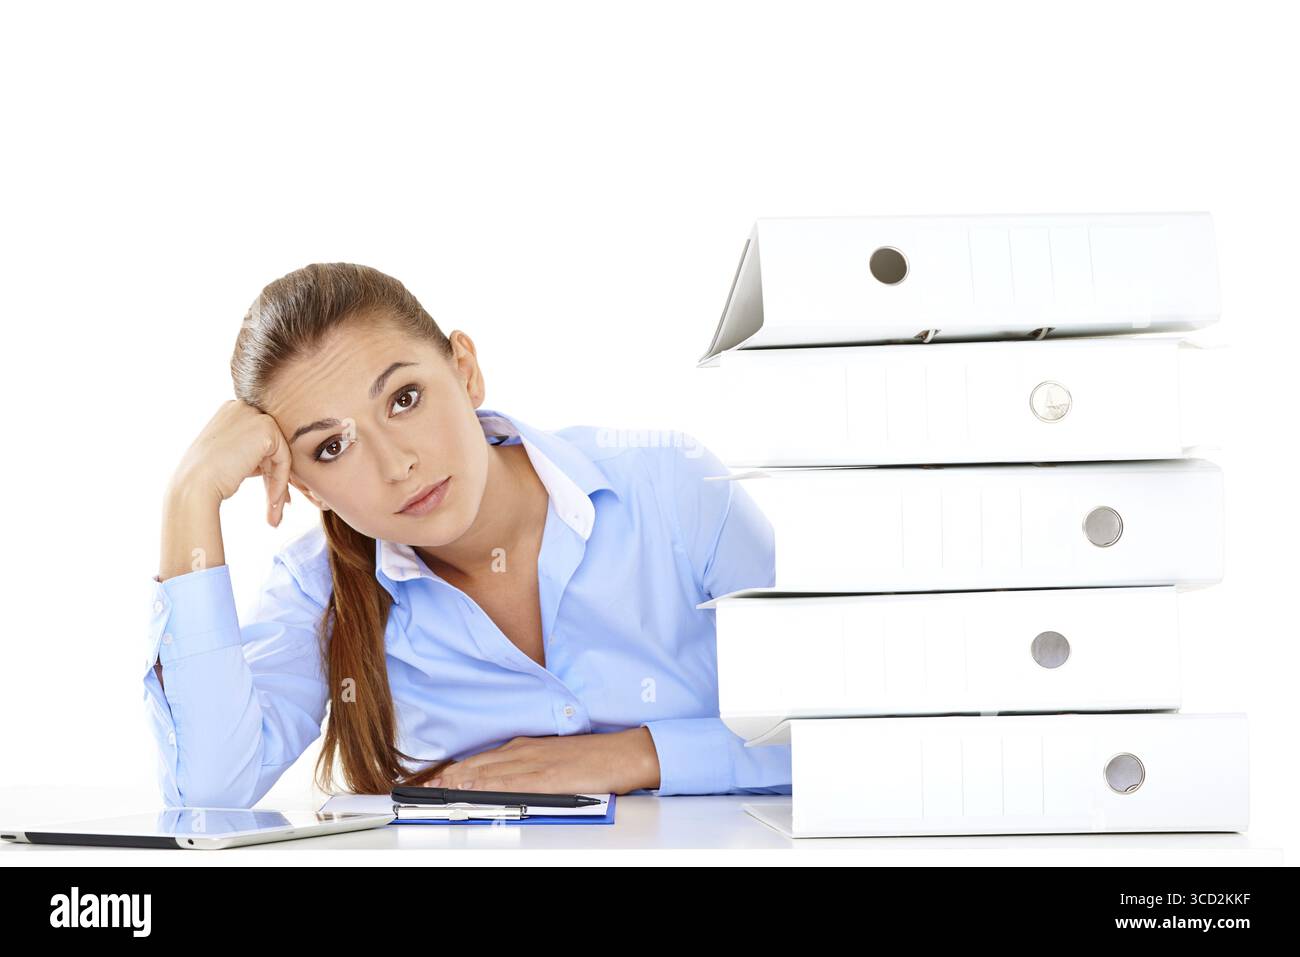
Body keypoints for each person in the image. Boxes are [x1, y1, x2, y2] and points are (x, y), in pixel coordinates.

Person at [144, 262, 792, 809]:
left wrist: (638, 753)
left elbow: (857, 728)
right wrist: (189, 497)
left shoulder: (669, 488)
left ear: (465, 369)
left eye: (404, 398)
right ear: (308, 488)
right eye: (334, 446)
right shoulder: (316, 589)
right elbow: (211, 795)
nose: (397, 465)